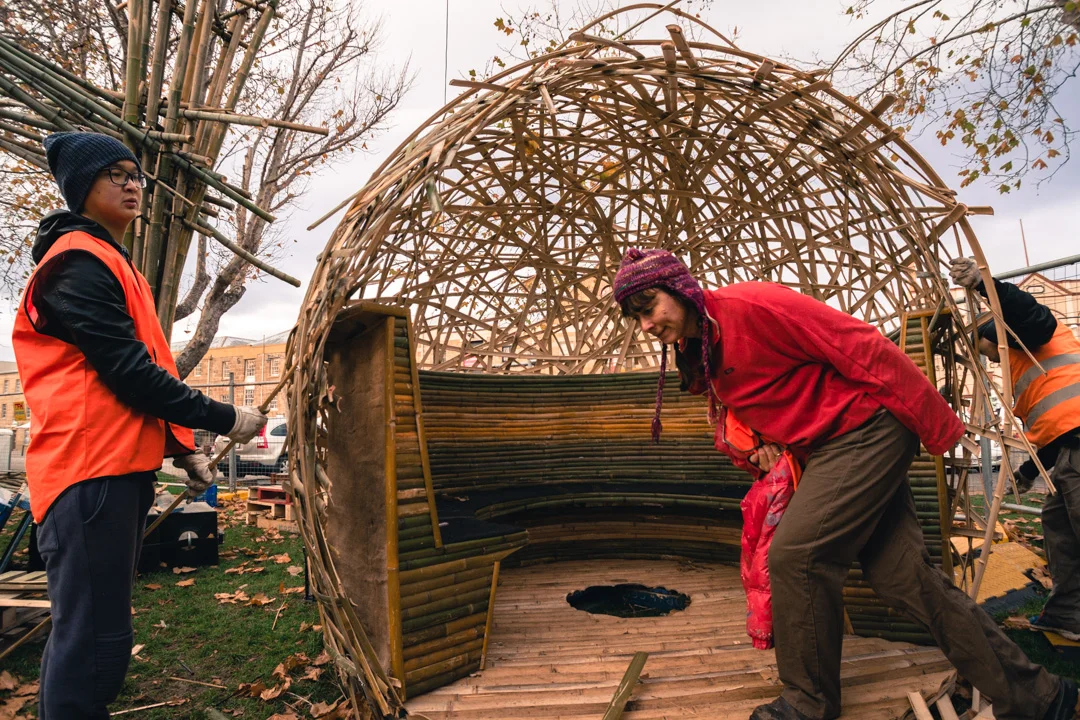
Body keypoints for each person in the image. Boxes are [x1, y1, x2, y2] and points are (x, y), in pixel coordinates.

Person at [612, 247, 1076, 720]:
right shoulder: (699, 348)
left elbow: (860, 344)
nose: (645, 325)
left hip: (863, 432)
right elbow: (755, 397)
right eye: (636, 317)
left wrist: (937, 426)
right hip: (830, 447)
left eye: (649, 308)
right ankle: (1039, 696)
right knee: (903, 578)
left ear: (680, 289)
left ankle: (808, 703)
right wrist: (757, 443)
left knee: (797, 557)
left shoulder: (752, 306)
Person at [11, 132, 268, 719]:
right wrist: (226, 416)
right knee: (93, 644)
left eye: (136, 176)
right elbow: (129, 373)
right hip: (88, 473)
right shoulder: (76, 263)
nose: (133, 185)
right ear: (82, 186)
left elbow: (142, 369)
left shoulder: (111, 262)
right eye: (117, 174)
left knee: (96, 635)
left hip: (113, 470)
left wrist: (180, 448)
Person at [950, 256, 1080, 641]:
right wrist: (1026, 473)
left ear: (998, 335)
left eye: (987, 351)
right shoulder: (1032, 367)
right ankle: (1068, 616)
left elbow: (1028, 313)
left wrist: (982, 285)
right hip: (1070, 451)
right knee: (1057, 524)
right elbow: (1058, 430)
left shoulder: (1034, 334)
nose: (991, 360)